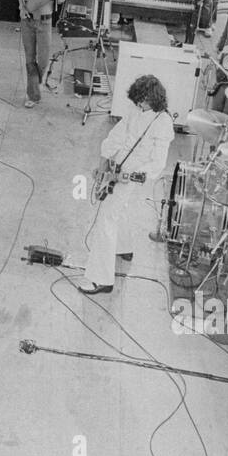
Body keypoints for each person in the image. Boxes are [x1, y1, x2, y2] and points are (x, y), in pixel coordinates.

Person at [77, 75, 174, 295]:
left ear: (153, 98)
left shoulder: (163, 123)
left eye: (142, 101)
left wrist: (129, 176)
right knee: (119, 211)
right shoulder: (136, 110)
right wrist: (103, 163)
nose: (139, 105)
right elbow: (117, 135)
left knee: (106, 220)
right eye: (137, 101)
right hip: (117, 169)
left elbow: (157, 164)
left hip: (131, 177)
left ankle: (100, 279)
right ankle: (124, 248)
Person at [17, 0, 71, 109]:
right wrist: (21, 7)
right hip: (28, 19)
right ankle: (33, 94)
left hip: (46, 22)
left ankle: (34, 85)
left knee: (43, 61)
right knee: (30, 58)